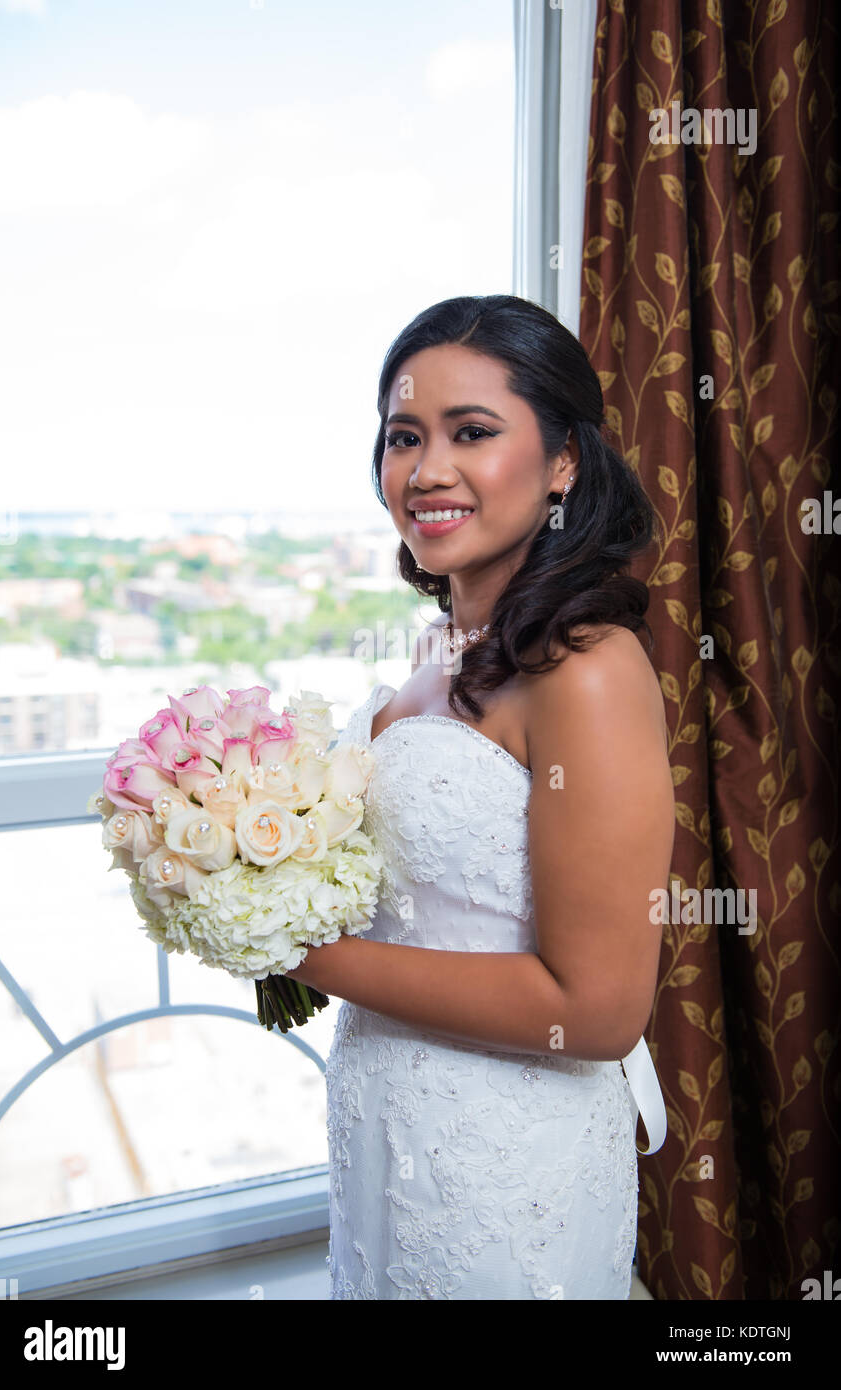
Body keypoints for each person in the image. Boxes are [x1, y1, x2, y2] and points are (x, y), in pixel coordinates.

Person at [283, 293, 676, 1299]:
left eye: (472, 433)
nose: (427, 470)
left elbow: (596, 1009)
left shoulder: (587, 670)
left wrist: (308, 952)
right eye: (403, 436)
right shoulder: (435, 650)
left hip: (506, 1158)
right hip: (386, 1121)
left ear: (562, 462)